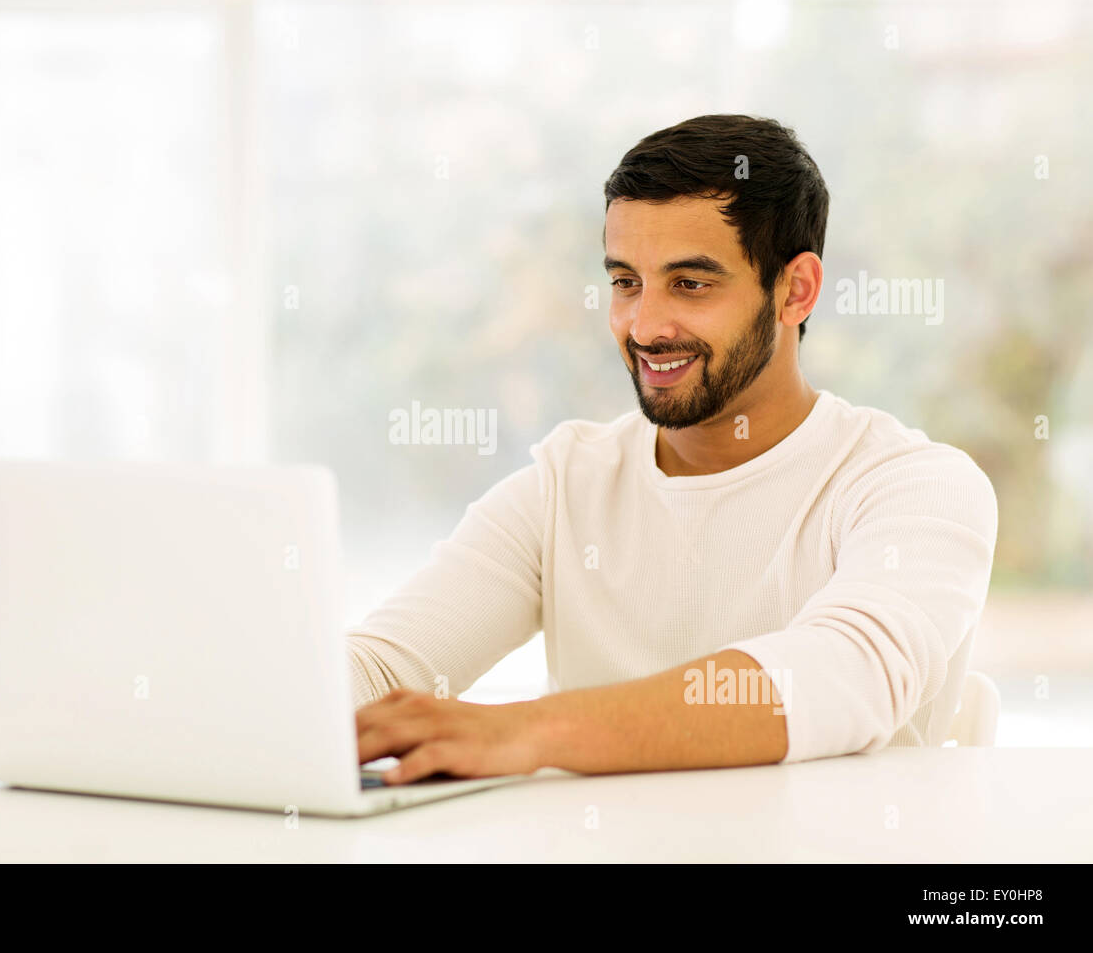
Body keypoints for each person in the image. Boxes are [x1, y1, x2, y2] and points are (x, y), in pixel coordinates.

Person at [349, 114, 998, 785]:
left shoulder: (914, 486)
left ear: (795, 290)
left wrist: (530, 729)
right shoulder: (564, 486)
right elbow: (382, 667)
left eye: (691, 284)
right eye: (627, 282)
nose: (645, 326)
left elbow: (844, 672)